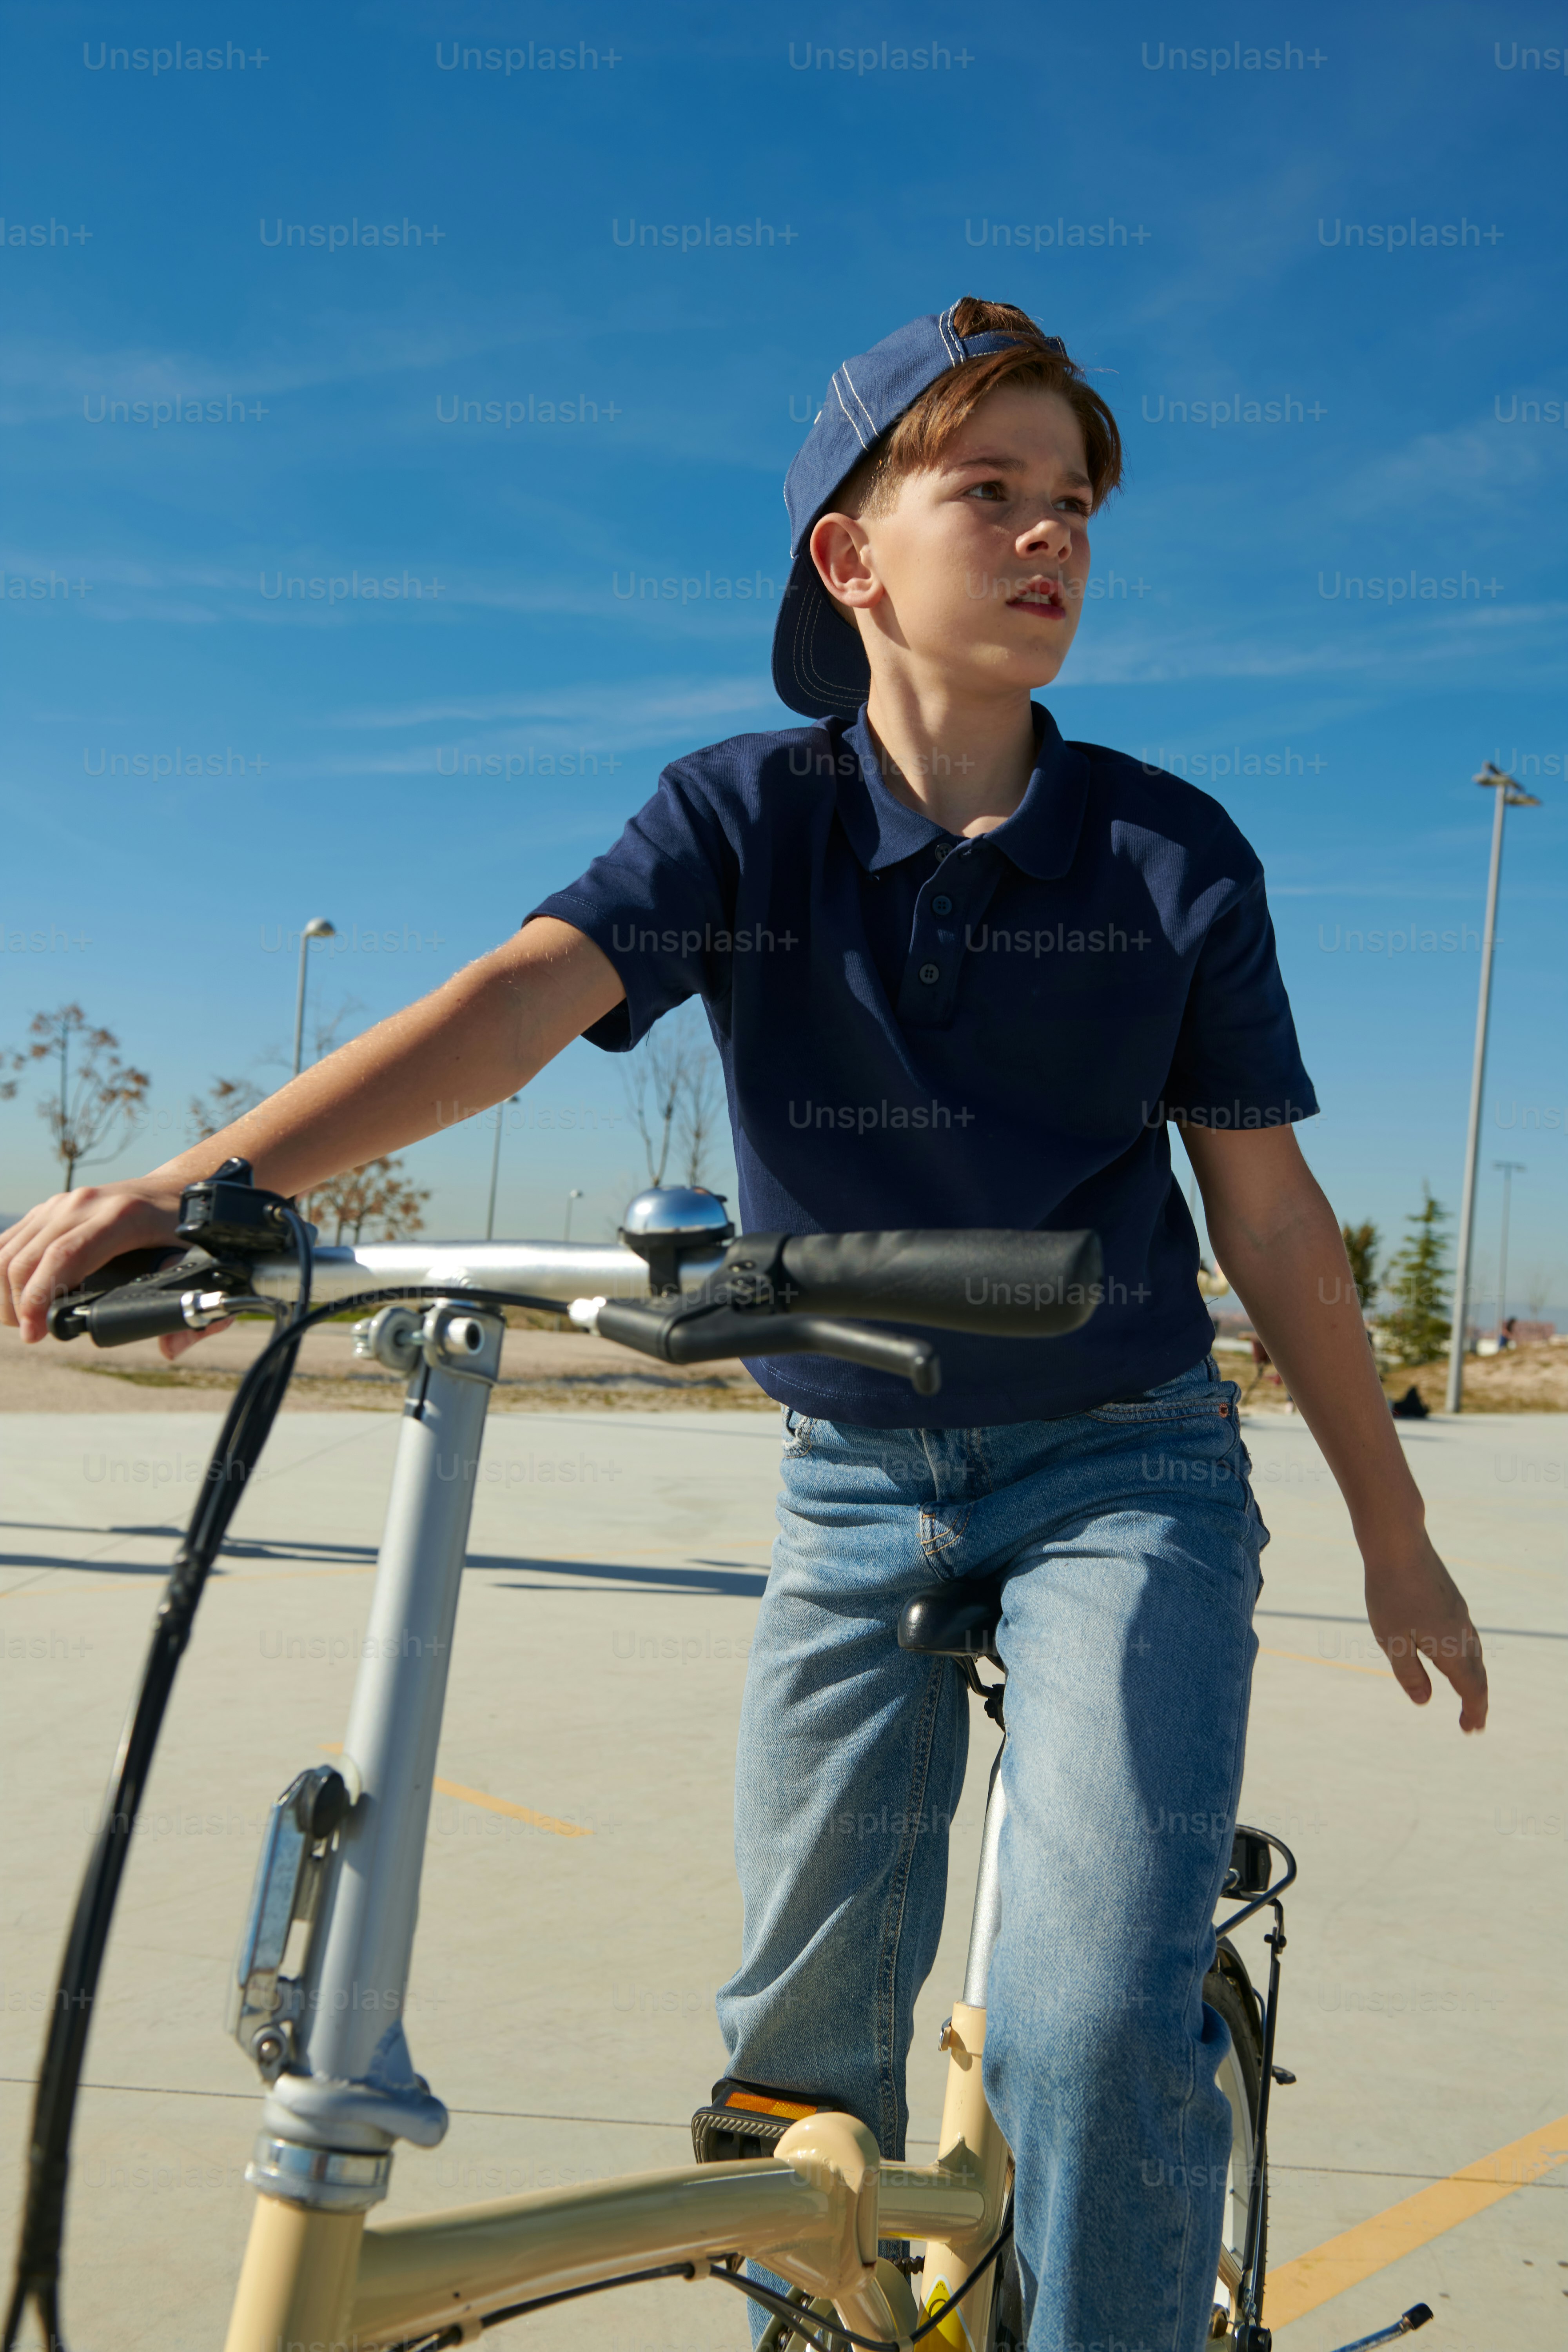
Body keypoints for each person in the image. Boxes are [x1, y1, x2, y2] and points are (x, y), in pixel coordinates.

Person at [0, 298, 1488, 2351]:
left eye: (1074, 506)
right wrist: (216, 1179)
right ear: (851, 556)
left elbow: (1273, 1218)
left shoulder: (1169, 856)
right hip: (854, 1473)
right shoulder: (746, 819)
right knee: (789, 2072)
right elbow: (523, 1002)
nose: (1049, 537)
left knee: (1074, 2024)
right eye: (992, 493)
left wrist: (1393, 1529)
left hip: (1121, 1462)